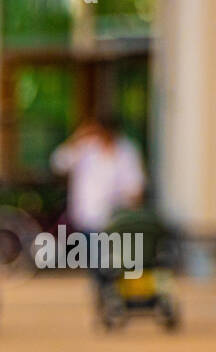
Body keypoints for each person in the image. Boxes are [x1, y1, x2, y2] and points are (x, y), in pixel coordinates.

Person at [50, 116, 145, 291]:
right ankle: (103, 290)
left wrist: (132, 202)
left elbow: (135, 184)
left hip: (116, 216)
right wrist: (77, 138)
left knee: (112, 256)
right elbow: (58, 163)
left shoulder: (126, 151)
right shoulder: (85, 148)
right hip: (88, 214)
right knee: (96, 256)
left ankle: (110, 288)